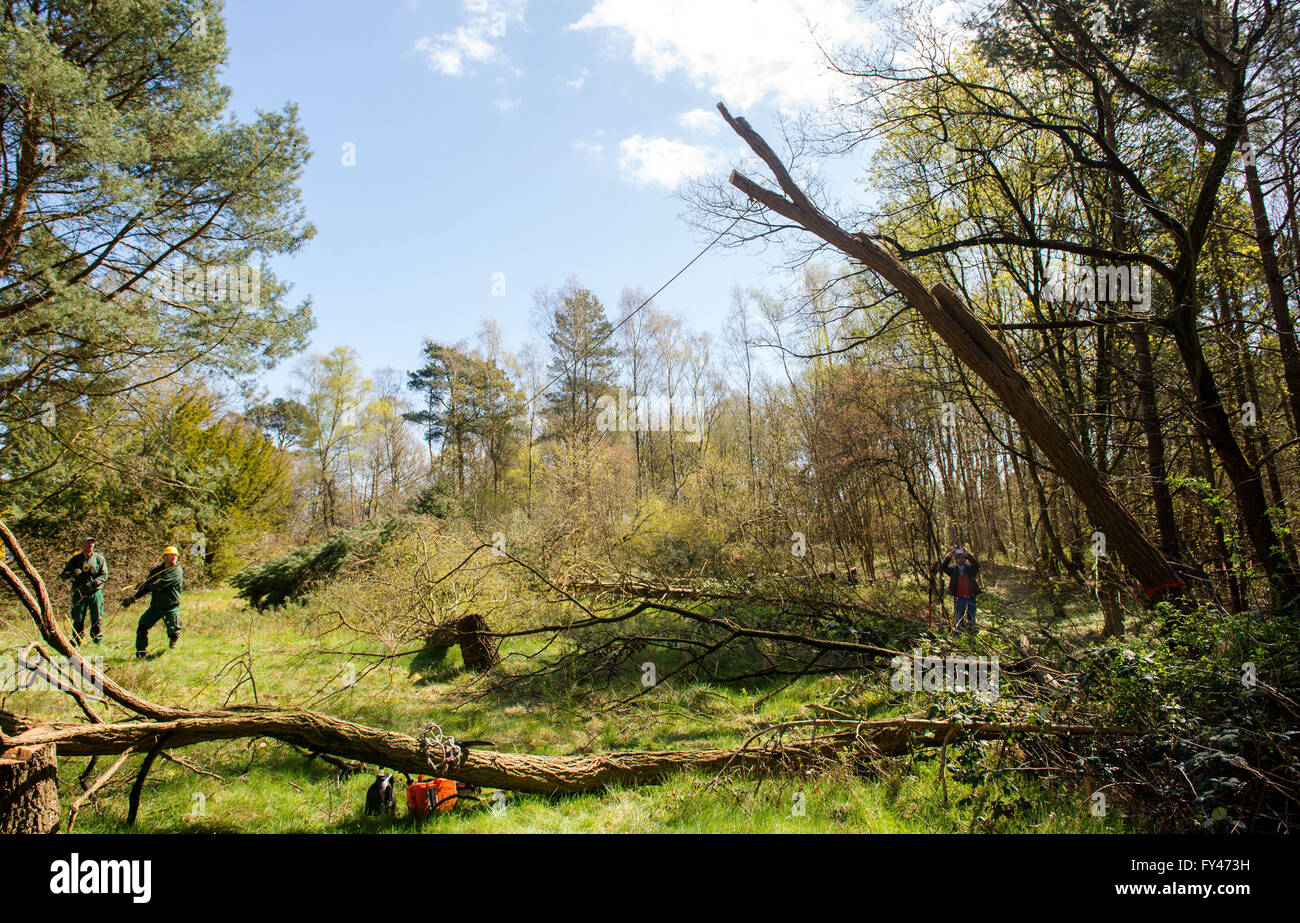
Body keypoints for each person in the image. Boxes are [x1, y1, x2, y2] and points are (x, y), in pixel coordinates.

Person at [124, 546, 184, 659]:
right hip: (155, 607)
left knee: (174, 633)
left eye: (175, 556)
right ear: (164, 557)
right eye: (171, 555)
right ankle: (141, 653)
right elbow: (147, 587)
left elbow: (162, 584)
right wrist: (134, 598)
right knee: (142, 626)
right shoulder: (156, 571)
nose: (174, 558)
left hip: (170, 607)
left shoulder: (177, 571)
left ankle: (173, 642)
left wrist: (146, 585)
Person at [58, 537, 108, 645]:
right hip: (79, 593)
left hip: (95, 592)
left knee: (97, 617)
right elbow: (63, 575)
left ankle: (97, 641)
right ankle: (77, 641)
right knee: (78, 617)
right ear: (82, 545)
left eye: (92, 543)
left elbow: (104, 575)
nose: (91, 545)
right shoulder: (75, 559)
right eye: (88, 543)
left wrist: (93, 583)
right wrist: (72, 573)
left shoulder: (99, 559)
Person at [939, 547, 980, 634]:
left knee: (972, 618)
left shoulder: (970, 569)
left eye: (963, 558)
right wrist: (949, 555)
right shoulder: (953, 570)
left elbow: (976, 565)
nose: (961, 560)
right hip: (959, 598)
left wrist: (968, 555)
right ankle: (959, 636)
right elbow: (943, 567)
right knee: (958, 619)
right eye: (959, 558)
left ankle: (972, 635)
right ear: (956, 559)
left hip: (971, 597)